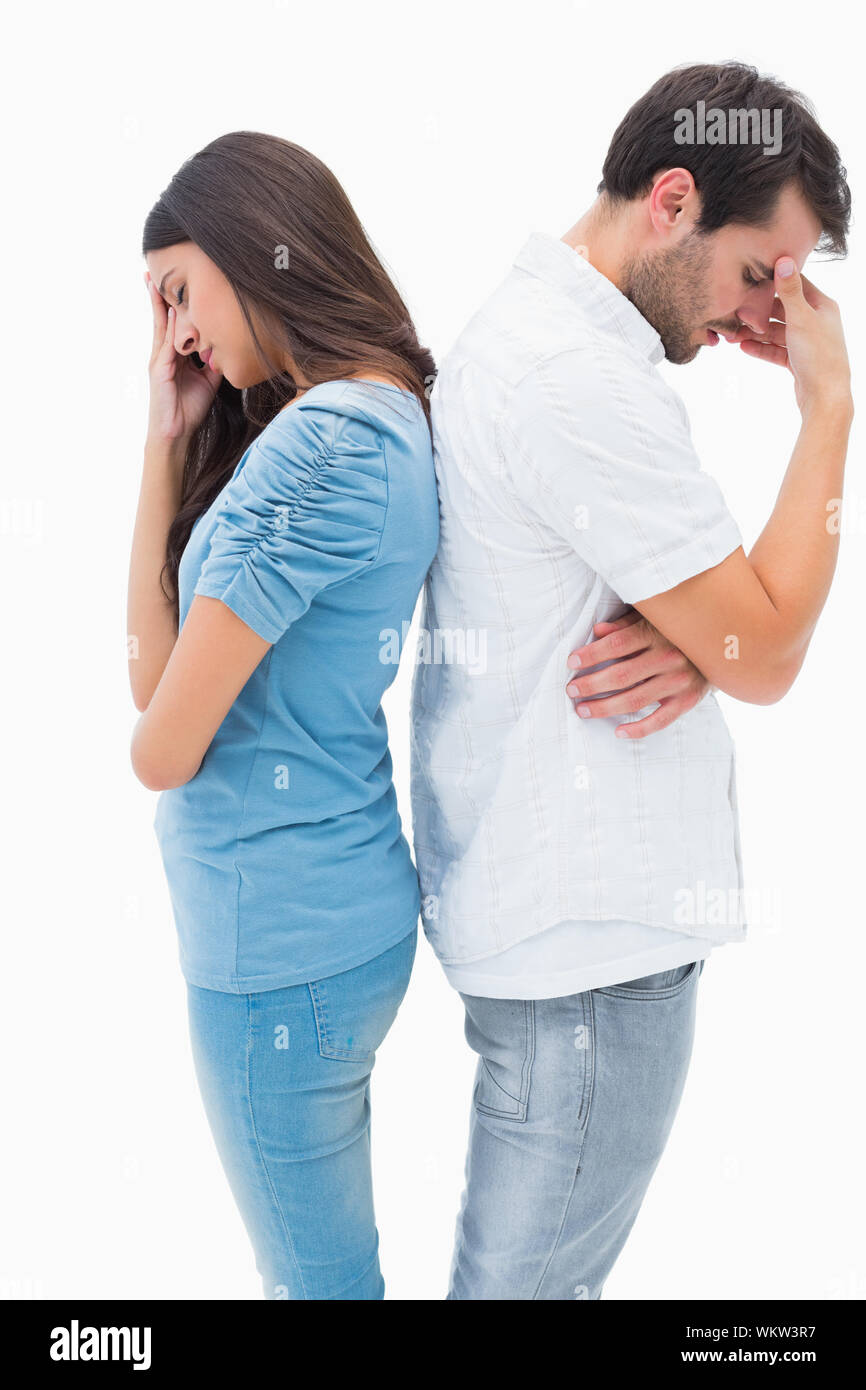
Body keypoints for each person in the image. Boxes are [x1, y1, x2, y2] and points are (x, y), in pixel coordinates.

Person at [410, 61, 853, 1299]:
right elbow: (763, 651)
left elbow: (722, 634)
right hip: (590, 962)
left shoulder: (550, 338)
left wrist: (702, 638)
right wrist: (827, 412)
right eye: (758, 270)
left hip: (563, 946)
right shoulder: (577, 380)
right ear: (671, 199)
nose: (766, 312)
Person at [127, 131, 439, 1299]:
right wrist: (168, 444)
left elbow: (159, 739)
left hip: (276, 953)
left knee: (318, 1287)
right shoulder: (374, 412)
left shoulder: (322, 443)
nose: (176, 335)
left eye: (178, 291)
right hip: (327, 920)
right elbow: (152, 678)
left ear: (257, 246)